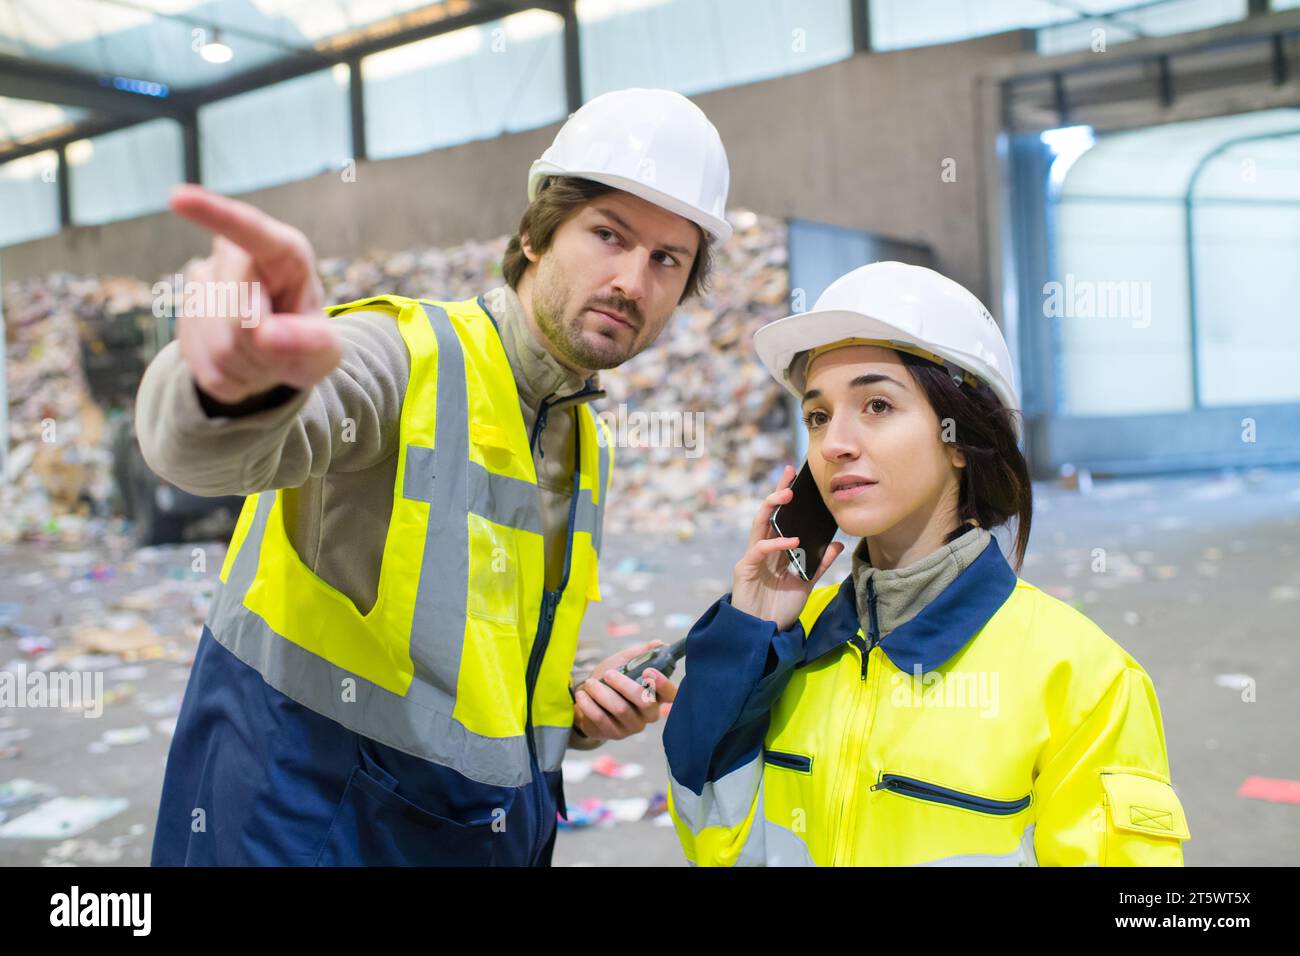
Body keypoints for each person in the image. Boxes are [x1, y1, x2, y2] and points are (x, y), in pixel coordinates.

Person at [139, 88, 732, 866]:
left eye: (666, 260)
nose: (632, 280)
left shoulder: (585, 439)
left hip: (471, 833)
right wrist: (228, 390)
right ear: (534, 237)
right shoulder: (406, 352)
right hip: (306, 820)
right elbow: (210, 455)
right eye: (608, 235)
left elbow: (483, 654)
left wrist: (572, 709)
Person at [662, 261, 1190, 866]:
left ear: (960, 438)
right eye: (818, 415)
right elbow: (713, 838)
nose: (835, 443)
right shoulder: (784, 644)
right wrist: (749, 637)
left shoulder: (1084, 678)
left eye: (878, 405)